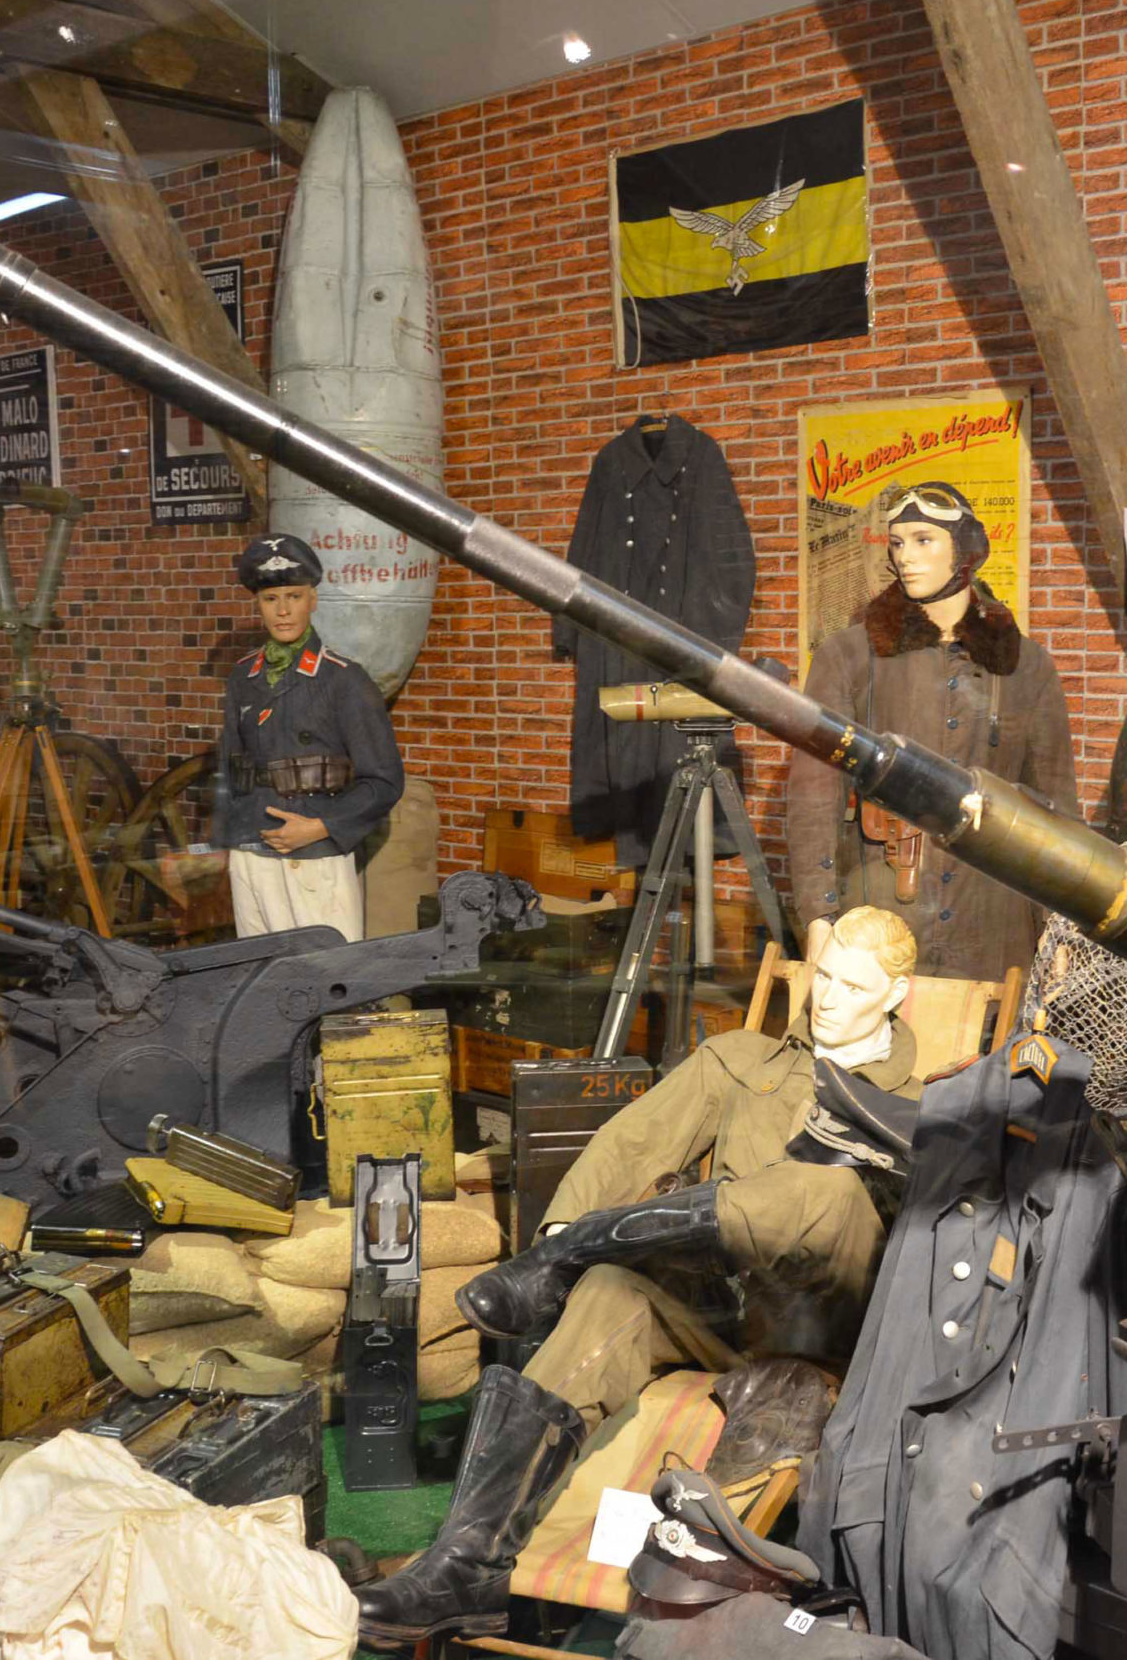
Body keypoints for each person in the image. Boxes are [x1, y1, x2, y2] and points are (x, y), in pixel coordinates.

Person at [356, 907, 926, 1647]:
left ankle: (581, 1248)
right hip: (722, 1304)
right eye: (824, 976)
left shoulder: (922, 1106)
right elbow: (631, 1142)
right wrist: (559, 1228)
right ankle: (466, 1566)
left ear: (896, 995)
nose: (829, 998)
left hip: (824, 1324)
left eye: (854, 986)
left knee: (826, 1187)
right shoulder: (744, 1059)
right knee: (607, 1292)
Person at [784, 482, 1073, 982]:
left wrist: (1060, 925)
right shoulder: (849, 657)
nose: (906, 557)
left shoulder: (1026, 667)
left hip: (993, 918)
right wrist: (818, 915)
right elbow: (815, 795)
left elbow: (1056, 808)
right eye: (897, 543)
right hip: (881, 914)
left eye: (923, 540)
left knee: (991, 1031)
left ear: (964, 550)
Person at [216, 533, 404, 941]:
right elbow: (229, 768)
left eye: (294, 597)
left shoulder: (343, 680)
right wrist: (224, 843)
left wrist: (321, 826)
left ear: (313, 600)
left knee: (327, 971)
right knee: (257, 971)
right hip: (250, 856)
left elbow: (384, 781)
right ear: (258, 604)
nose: (283, 611)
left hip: (314, 859)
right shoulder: (243, 677)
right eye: (270, 599)